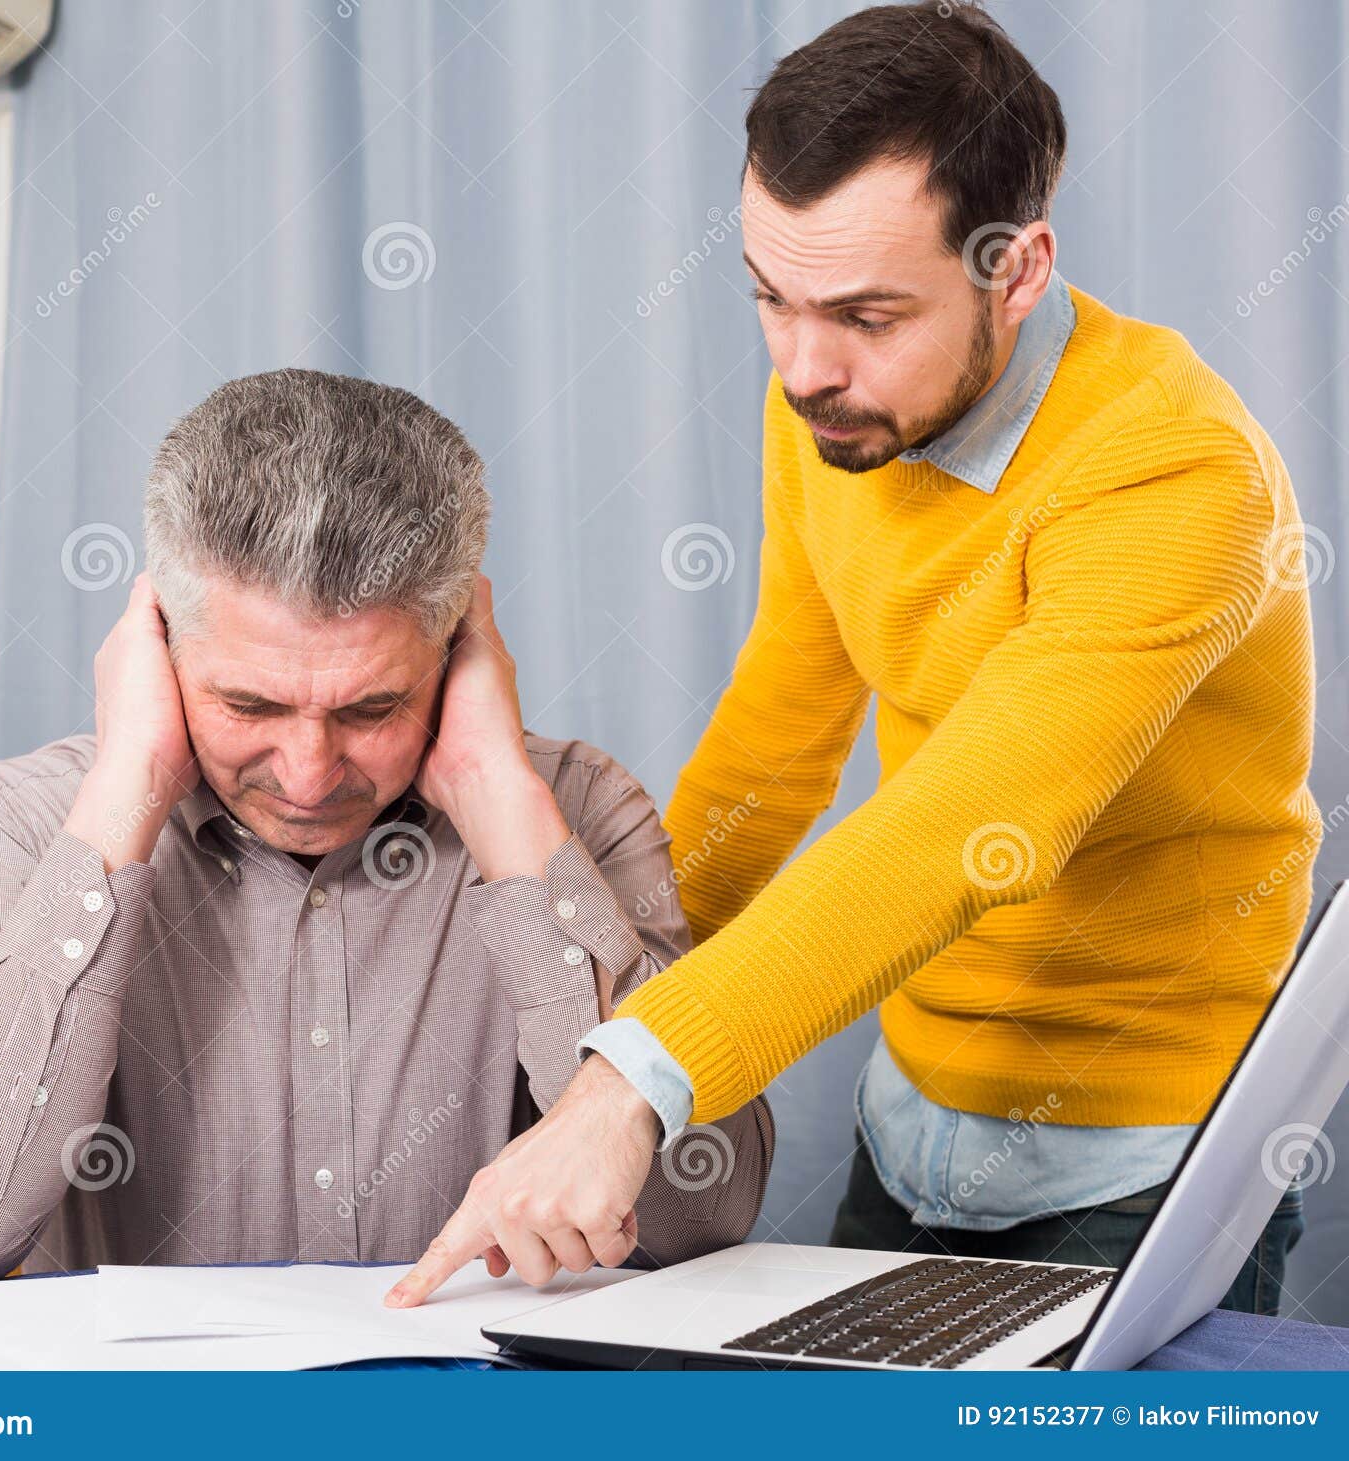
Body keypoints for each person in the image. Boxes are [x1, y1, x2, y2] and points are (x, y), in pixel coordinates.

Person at [389, 1, 1319, 1314]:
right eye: (770, 298)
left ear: (1017, 269)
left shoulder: (1174, 473)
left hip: (1141, 1164)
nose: (802, 365)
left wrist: (636, 1080)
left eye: (867, 315)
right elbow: (773, 746)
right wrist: (594, 1023)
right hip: (910, 1123)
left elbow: (971, 828)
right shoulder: (836, 409)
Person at [0, 367, 772, 1280]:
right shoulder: (13, 825)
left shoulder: (580, 813)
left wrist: (507, 807)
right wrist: (126, 789)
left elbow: (699, 1218)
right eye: (248, 704)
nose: (308, 774)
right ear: (158, 643)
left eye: (372, 709)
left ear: (461, 646)